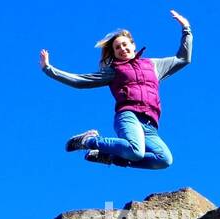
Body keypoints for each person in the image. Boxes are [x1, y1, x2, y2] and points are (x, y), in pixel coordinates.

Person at [39, 9, 192, 168]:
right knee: (135, 151)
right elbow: (80, 81)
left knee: (164, 160)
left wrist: (186, 28)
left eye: (125, 44)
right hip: (129, 115)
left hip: (150, 123)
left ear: (133, 45)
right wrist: (49, 69)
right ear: (114, 53)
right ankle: (88, 140)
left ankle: (109, 157)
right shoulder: (114, 70)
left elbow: (183, 59)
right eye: (117, 48)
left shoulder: (153, 65)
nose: (122, 49)